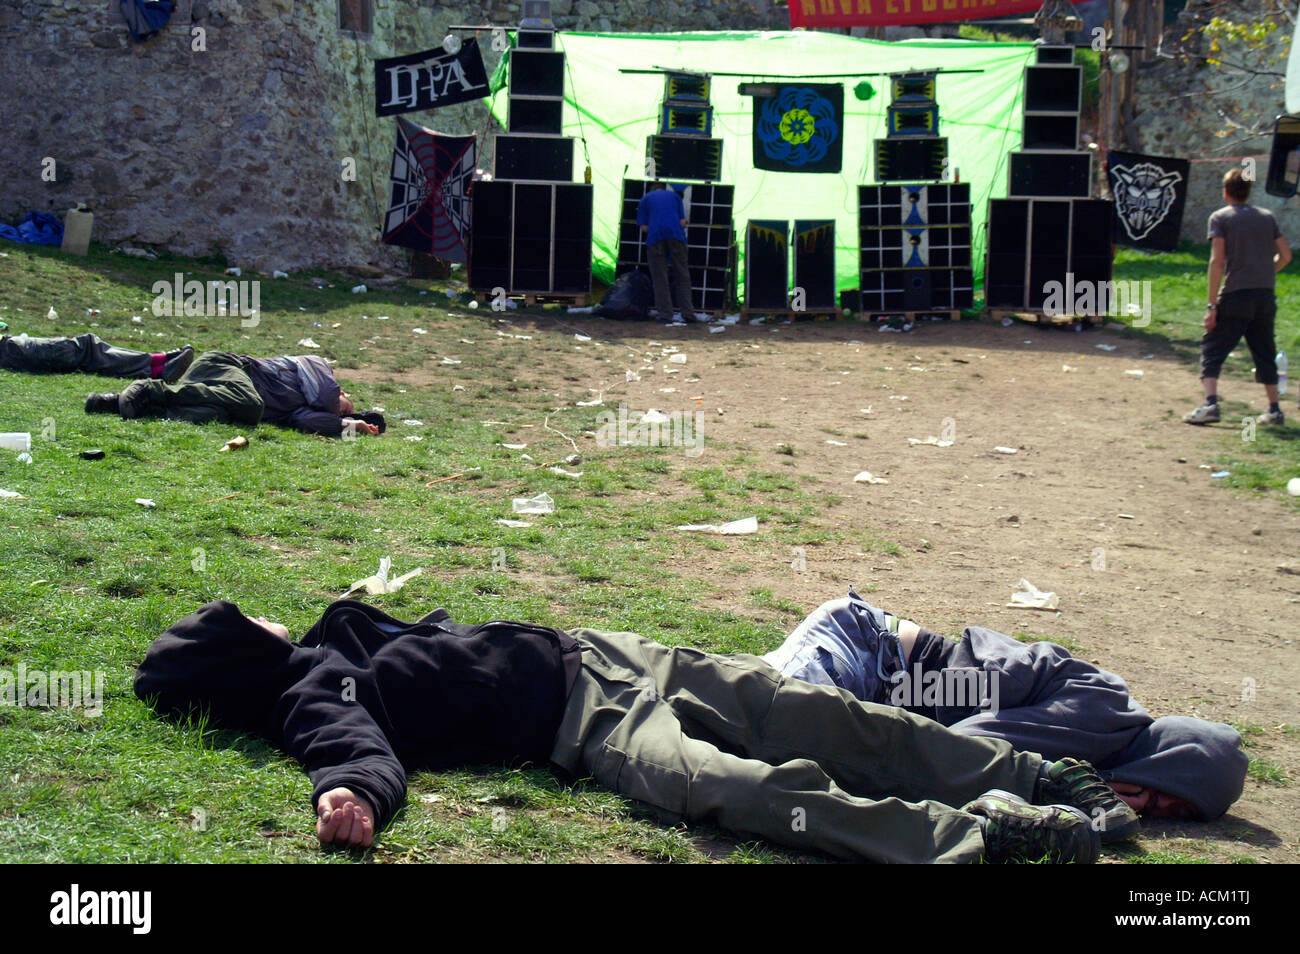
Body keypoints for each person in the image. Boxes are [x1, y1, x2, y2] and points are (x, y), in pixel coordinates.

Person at [132, 598, 1144, 863]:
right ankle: (983, 840)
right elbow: (351, 749)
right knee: (745, 792)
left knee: (826, 715)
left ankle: (1037, 773)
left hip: (614, 654)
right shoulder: (306, 692)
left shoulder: (327, 637)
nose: (258, 615)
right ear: (234, 663)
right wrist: (346, 794)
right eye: (239, 625)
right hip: (591, 725)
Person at [764, 589, 1247, 830]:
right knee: (751, 717)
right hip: (863, 650)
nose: (1161, 809)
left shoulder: (1108, 741)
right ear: (1171, 760)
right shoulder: (1103, 718)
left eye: (1181, 813)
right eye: (1173, 794)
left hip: (874, 682)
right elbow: (967, 747)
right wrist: (1070, 793)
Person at [1185, 167, 1291, 426]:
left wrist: (1212, 305)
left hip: (1236, 293)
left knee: (1213, 347)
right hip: (1265, 295)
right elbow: (1286, 256)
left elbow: (1217, 262)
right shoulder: (1267, 217)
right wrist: (1266, 271)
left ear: (1225, 192)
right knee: (1265, 350)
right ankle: (1274, 409)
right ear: (1248, 192)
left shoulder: (1220, 218)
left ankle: (1210, 404)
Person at [84, 350, 384, 438]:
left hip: (219, 393)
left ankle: (113, 403)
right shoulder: (318, 369)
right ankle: (152, 387)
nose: (341, 411)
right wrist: (338, 410)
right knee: (252, 406)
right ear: (343, 391)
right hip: (222, 366)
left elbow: (306, 422)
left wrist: (350, 427)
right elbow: (325, 395)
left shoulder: (301, 408)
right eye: (346, 408)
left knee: (212, 416)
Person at [0, 331, 195, 382]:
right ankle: (156, 366)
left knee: (86, 351)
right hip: (10, 351)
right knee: (85, 350)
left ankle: (157, 363)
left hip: (10, 348)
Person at [637, 181, 702, 323]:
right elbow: (683, 222)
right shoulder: (675, 197)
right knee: (682, 276)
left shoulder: (645, 199)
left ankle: (665, 315)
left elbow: (644, 228)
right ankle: (688, 314)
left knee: (660, 277)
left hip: (656, 238)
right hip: (676, 237)